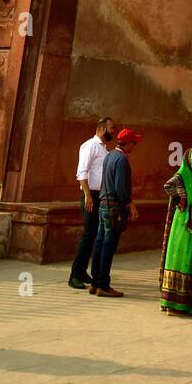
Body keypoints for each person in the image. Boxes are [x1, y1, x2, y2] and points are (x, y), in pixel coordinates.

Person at [90, 127, 141, 298]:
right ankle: (103, 285)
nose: (134, 147)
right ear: (126, 144)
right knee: (108, 246)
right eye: (133, 143)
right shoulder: (121, 160)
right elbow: (120, 187)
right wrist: (130, 204)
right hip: (114, 207)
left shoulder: (109, 156)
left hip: (103, 204)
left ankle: (95, 282)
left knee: (100, 243)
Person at [68, 117, 114, 289]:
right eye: (111, 128)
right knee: (88, 234)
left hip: (99, 195)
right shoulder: (90, 146)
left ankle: (81, 272)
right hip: (90, 195)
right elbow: (82, 172)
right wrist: (87, 195)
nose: (113, 131)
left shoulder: (104, 149)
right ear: (102, 129)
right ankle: (74, 275)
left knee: (94, 235)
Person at [160, 146, 192, 316]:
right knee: (182, 258)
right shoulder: (181, 176)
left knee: (190, 259)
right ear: (188, 160)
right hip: (183, 224)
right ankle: (174, 305)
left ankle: (186, 305)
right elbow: (167, 186)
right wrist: (181, 199)